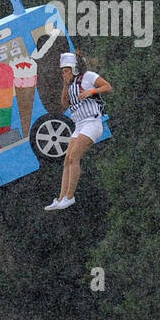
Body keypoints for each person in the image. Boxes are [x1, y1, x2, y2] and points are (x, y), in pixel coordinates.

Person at [45, 51, 113, 211]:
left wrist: (92, 91)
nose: (64, 74)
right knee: (67, 158)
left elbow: (108, 87)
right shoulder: (70, 84)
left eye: (66, 71)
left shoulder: (88, 76)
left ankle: (70, 196)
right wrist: (65, 84)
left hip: (92, 122)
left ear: (75, 69)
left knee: (74, 156)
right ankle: (61, 198)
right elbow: (64, 104)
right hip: (80, 124)